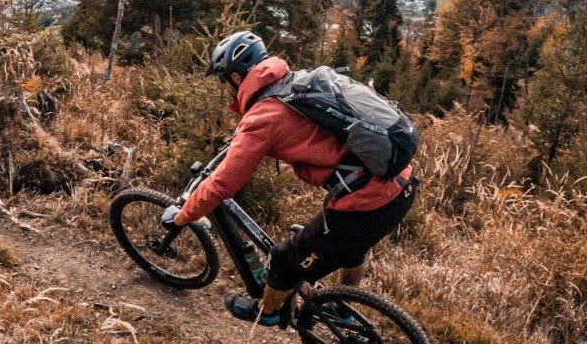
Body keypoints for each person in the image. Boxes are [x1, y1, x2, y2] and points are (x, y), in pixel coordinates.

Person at [161, 31, 416, 326]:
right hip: (401, 184)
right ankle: (343, 309)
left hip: (369, 202)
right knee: (352, 247)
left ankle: (267, 312)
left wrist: (182, 216)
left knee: (285, 260)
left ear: (234, 77)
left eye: (223, 80)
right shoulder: (293, 83)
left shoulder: (263, 116)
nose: (226, 88)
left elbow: (222, 185)